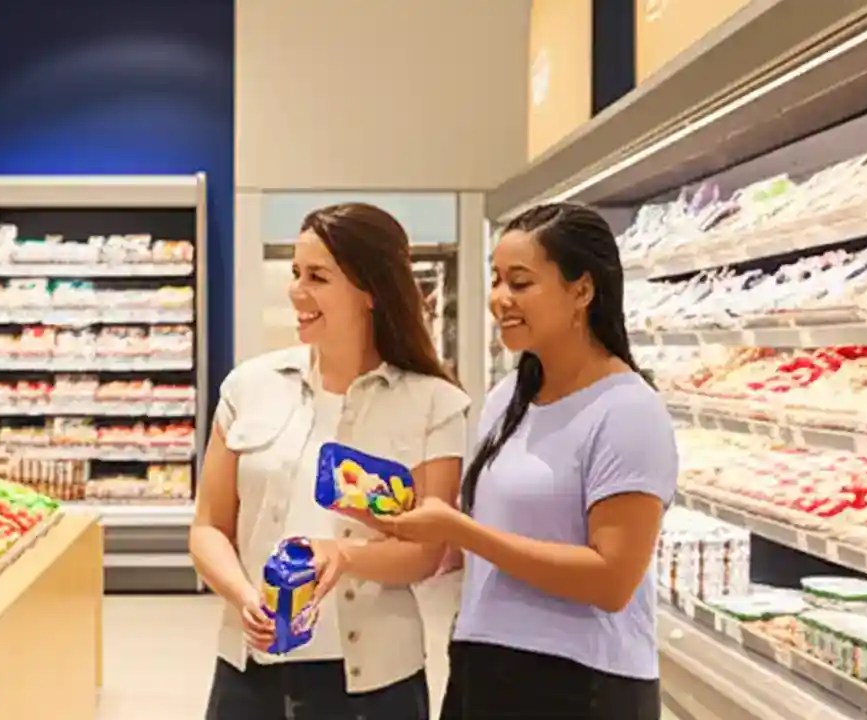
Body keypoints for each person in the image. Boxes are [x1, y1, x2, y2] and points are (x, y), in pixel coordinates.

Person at [375, 203, 675, 719]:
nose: (500, 300)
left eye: (520, 282)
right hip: (483, 662)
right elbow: (497, 537)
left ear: (582, 290)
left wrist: (463, 532)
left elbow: (611, 580)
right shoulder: (508, 397)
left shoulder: (628, 412)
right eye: (495, 280)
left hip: (581, 684)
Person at [190, 202, 471, 720]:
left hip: (377, 680)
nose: (297, 291)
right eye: (296, 273)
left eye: (317, 277)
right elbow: (209, 526)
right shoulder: (248, 387)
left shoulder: (435, 404)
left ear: (371, 291)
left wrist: (344, 557)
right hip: (250, 673)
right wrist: (241, 594)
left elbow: (428, 551)